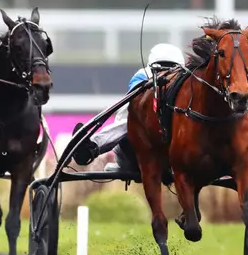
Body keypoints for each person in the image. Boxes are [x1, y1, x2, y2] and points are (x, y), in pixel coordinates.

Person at [72, 43, 186, 174]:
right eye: (160, 69)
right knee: (133, 123)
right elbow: (140, 101)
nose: (165, 74)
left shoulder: (187, 83)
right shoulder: (141, 76)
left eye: (172, 70)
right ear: (151, 67)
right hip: (132, 153)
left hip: (172, 156)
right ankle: (89, 148)